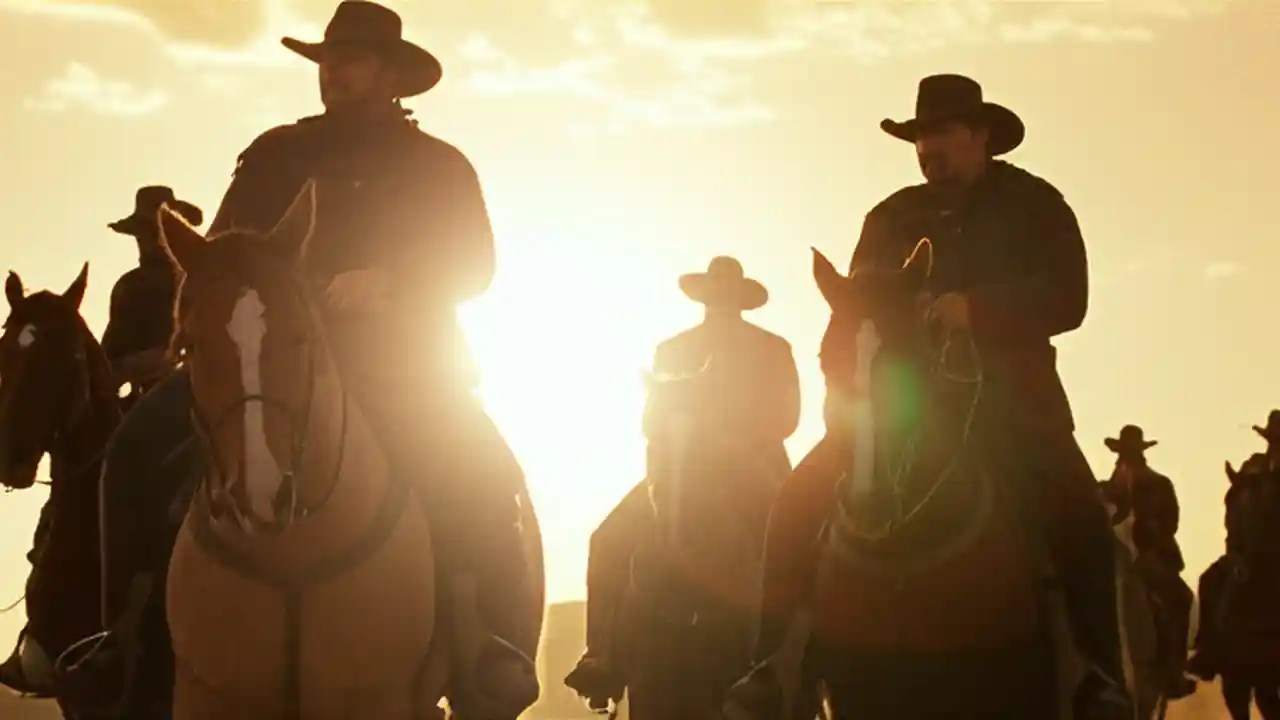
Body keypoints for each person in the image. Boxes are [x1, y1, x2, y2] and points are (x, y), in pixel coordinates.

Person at [100, 1, 539, 714]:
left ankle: (485, 647)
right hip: (260, 364)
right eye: (330, 60)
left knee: (488, 474)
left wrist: (392, 283)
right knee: (131, 451)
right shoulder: (275, 153)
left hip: (402, 365)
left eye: (354, 60)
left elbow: (475, 264)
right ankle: (121, 640)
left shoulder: (437, 165)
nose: (336, 73)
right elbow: (217, 255)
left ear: (392, 74)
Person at [733, 74, 1133, 718]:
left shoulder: (1037, 205)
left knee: (1080, 512)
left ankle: (1096, 676)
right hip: (900, 403)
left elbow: (1069, 297)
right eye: (921, 137)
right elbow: (854, 309)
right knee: (797, 500)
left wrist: (971, 308)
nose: (929, 149)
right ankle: (772, 664)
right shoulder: (889, 217)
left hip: (1013, 404)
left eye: (943, 134)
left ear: (982, 137)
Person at [564, 256, 800, 710]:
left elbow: (786, 417)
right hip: (677, 467)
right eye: (715, 294)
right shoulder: (671, 350)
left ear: (740, 300)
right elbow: (652, 420)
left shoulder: (773, 348)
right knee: (608, 539)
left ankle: (795, 654)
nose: (721, 302)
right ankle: (602, 655)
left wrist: (736, 440)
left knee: (797, 536)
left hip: (755, 465)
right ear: (704, 297)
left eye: (727, 294)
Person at [1099, 425, 1195, 698]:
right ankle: (1173, 672)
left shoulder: (1112, 484)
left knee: (1180, 599)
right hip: (1143, 555)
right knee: (1180, 600)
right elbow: (1170, 523)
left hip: (1130, 553)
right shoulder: (1156, 483)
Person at [101, 185, 204, 411]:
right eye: (143, 234)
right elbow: (107, 365)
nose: (146, 242)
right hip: (146, 403)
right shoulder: (130, 287)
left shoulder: (201, 283)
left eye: (156, 233)